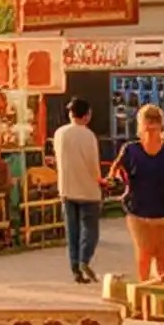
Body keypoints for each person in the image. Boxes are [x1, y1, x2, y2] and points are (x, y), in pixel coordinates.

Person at [110, 104, 164, 282]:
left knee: (163, 260)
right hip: (138, 214)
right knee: (144, 254)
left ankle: (158, 298)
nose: (149, 132)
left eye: (154, 127)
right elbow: (115, 171)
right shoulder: (130, 150)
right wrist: (115, 181)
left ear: (161, 128)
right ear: (140, 128)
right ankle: (143, 295)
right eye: (146, 127)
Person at [53, 97, 103, 284]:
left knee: (72, 231)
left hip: (66, 188)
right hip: (88, 190)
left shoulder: (60, 133)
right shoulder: (88, 136)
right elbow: (93, 164)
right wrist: (100, 180)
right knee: (90, 230)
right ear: (87, 115)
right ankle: (84, 259)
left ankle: (75, 269)